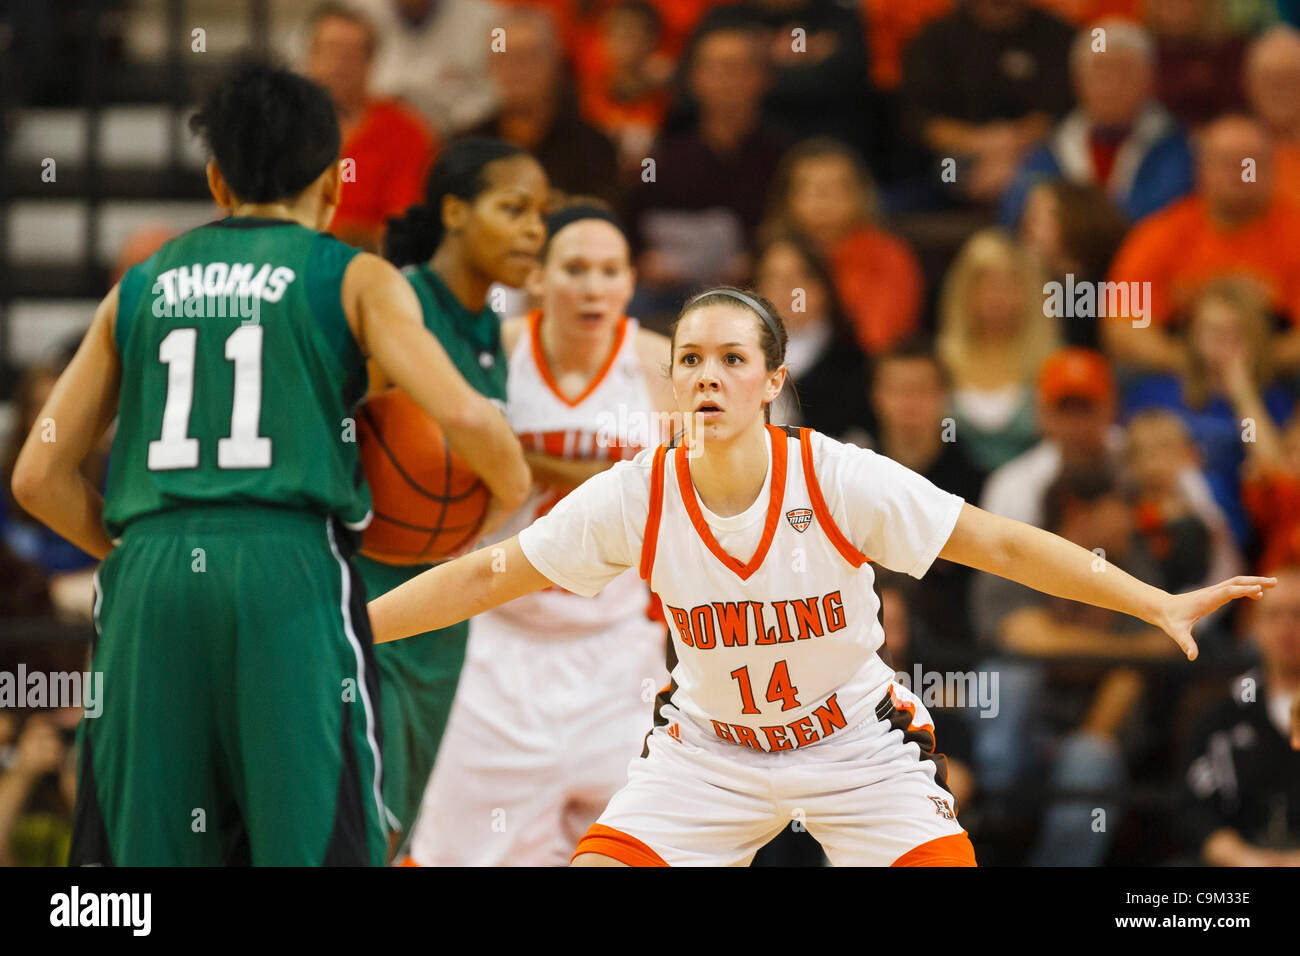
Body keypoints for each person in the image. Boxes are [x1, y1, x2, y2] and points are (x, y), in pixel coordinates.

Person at [366, 285, 1274, 867]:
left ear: (771, 382)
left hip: (854, 747)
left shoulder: (838, 476)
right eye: (690, 360)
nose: (708, 376)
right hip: (709, 753)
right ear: (672, 383)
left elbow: (1000, 544)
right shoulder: (637, 492)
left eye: (732, 359)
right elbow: (486, 574)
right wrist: (351, 628)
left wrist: (1152, 598)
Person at [8, 62, 531, 866]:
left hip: (150, 579)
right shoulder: (354, 275)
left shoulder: (141, 283)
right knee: (313, 842)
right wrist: (509, 494)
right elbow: (463, 413)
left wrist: (144, 555)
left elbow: (36, 476)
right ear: (331, 181)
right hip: (289, 572)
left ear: (218, 180)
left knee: (134, 876)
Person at [404, 203, 674, 866]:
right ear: (541, 279)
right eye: (574, 269)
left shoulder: (666, 366)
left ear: (630, 281)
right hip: (499, 649)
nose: (591, 287)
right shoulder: (495, 356)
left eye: (609, 271)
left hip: (620, 655)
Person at [360, 137, 547, 853]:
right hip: (371, 600)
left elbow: (480, 458)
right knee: (358, 834)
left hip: (443, 612)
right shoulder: (396, 300)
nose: (534, 229)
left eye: (543, 213)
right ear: (456, 212)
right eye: (514, 208)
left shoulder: (486, 330)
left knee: (398, 835)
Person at [1102, 114, 1300, 375]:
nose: (1241, 174)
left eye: (1251, 163)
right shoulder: (1160, 234)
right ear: (1202, 168)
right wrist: (1193, 364)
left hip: (1278, 378)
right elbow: (1121, 327)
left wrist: (1252, 364)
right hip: (1179, 375)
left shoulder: (1293, 233)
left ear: (1271, 169)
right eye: (1228, 163)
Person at [999, 17, 1193, 228]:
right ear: (1077, 82)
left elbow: (1163, 216)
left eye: (1123, 72)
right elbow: (1016, 211)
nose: (1110, 86)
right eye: (1100, 72)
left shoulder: (1173, 148)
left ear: (1150, 81)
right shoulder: (1053, 147)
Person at [1180, 560, 1300, 865]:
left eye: (1298, 615)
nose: (1288, 628)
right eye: (1274, 616)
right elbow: (1195, 809)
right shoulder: (1222, 715)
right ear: (1254, 627)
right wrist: (1246, 858)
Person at [762, 138, 924, 357]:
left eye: (835, 188)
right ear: (786, 198)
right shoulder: (768, 255)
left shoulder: (887, 257)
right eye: (807, 188)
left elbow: (880, 343)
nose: (822, 200)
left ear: (860, 195)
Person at [302, 2, 438, 252]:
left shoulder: (406, 133)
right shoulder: (277, 130)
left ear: (371, 62)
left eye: (352, 53)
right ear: (310, 56)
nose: (340, 63)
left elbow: (404, 230)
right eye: (331, 50)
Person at [935, 228, 1060, 472]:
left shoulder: (1053, 364)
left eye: (1009, 287)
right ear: (963, 292)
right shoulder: (939, 361)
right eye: (985, 285)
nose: (997, 298)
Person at [750, 229, 872, 440]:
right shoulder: (737, 359)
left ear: (823, 285)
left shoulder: (856, 363)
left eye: (798, 276)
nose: (786, 290)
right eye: (773, 278)